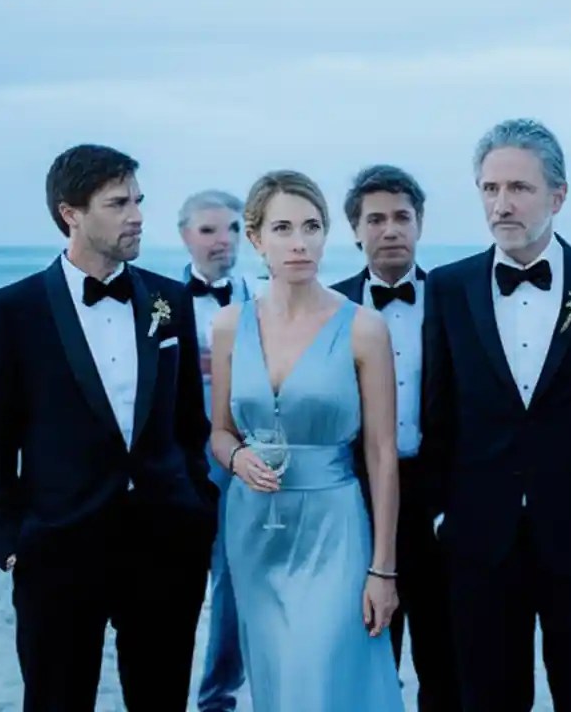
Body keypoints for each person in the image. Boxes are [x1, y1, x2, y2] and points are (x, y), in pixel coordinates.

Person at [0, 144, 217, 710]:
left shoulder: (168, 299)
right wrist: (10, 542)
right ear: (70, 214)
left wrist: (199, 506)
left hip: (165, 541)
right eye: (118, 203)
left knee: (161, 699)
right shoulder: (10, 310)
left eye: (138, 201)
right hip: (57, 546)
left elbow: (187, 421)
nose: (136, 216)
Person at [421, 118, 571, 711]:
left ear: (558, 196)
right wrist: (443, 514)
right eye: (489, 189)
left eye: (517, 188)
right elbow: (438, 413)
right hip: (479, 537)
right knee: (487, 697)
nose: (501, 204)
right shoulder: (447, 287)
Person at [207, 170, 404, 711]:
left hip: (334, 530)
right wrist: (238, 458)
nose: (300, 242)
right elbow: (219, 434)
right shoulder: (228, 326)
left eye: (312, 226)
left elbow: (382, 454)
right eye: (284, 228)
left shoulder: (364, 327)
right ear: (256, 239)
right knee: (276, 684)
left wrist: (382, 568)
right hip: (253, 531)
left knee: (322, 676)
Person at [332, 164, 461, 711]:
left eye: (402, 217)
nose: (390, 230)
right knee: (367, 658)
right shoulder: (329, 309)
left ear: (421, 223)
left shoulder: (459, 300)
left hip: (440, 504)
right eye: (376, 219)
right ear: (355, 230)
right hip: (356, 502)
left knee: (448, 661)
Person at [176, 188, 253, 712]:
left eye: (230, 228)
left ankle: (218, 697)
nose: (220, 241)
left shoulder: (265, 298)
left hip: (243, 459)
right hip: (178, 461)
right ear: (185, 236)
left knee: (233, 579)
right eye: (207, 230)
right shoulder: (157, 300)